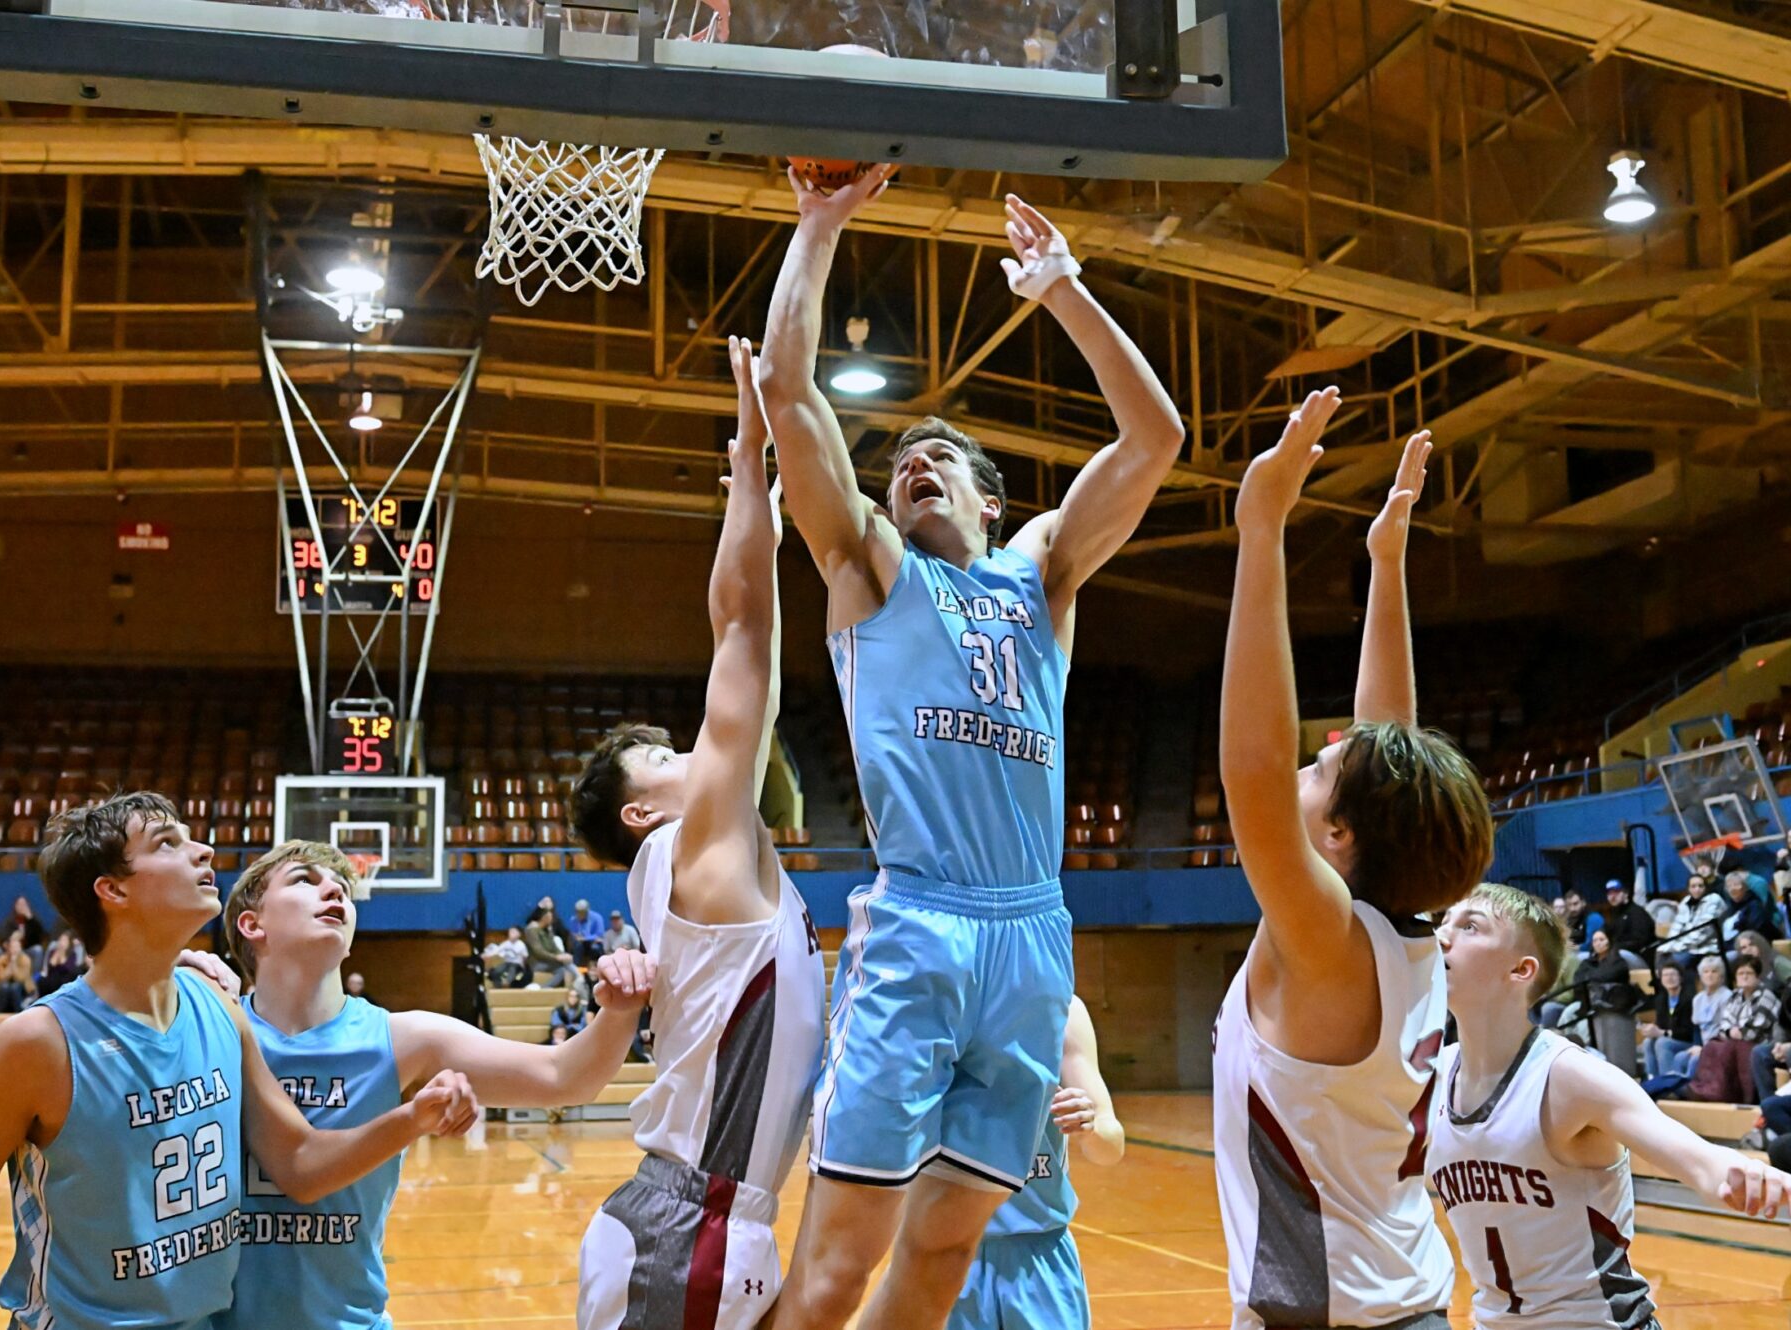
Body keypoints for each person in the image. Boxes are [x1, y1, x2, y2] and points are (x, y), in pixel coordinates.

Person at [760, 167, 1186, 1330]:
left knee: (944, 1258)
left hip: (1033, 929)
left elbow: (1158, 436)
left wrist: (1063, 289)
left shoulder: (1041, 573)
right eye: (900, 461)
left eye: (939, 457)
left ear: (993, 500)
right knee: (842, 1265)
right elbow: (790, 396)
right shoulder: (871, 570)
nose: (913, 465)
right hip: (922, 924)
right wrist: (820, 221)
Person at [0, 792, 482, 1330]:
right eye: (167, 843)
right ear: (113, 890)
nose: (203, 849)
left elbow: (300, 1163)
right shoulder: (37, 1043)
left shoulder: (221, 1009)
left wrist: (413, 1119)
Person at [1213, 404, 1493, 1330]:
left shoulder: (1328, 944)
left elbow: (1249, 770)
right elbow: (1388, 748)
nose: (1303, 763)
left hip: (1332, 1316)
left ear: (1339, 839)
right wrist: (1384, 563)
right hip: (1393, 1299)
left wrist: (1260, 532)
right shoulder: (1393, 935)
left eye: (1317, 769)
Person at [570, 335, 826, 1330]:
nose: (700, 756)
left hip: (717, 1218)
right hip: (695, 1222)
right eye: (670, 759)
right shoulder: (692, 849)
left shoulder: (702, 870)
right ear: (642, 813)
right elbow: (742, 630)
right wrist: (751, 458)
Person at [215, 838, 654, 1330]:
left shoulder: (405, 1039)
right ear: (251, 925)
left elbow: (563, 1078)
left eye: (341, 886)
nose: (334, 890)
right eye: (304, 880)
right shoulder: (206, 1028)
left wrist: (620, 1008)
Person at [1430, 883, 1789, 1330]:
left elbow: (1696, 1158)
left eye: (1469, 927)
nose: (1441, 936)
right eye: (1442, 923)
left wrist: (1737, 1171)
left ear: (1521, 970)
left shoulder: (1569, 1077)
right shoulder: (1429, 1077)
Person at [948, 996, 1123, 1330]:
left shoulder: (1062, 1008)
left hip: (1038, 1251)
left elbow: (1111, 1145)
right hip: (943, 1246)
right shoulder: (940, 1002)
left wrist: (1090, 1127)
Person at [1684, 955, 1779, 1103]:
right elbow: (1725, 1024)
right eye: (1741, 973)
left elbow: (1755, 1029)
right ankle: (1709, 1091)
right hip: (1735, 1040)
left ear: (1757, 976)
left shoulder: (1766, 996)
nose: (1745, 977)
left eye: (1749, 973)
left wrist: (1736, 1032)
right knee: (1711, 1047)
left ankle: (1735, 1096)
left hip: (1760, 1043)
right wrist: (1731, 1032)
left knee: (1734, 1049)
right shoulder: (1735, 996)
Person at [1570, 930, 1639, 1075]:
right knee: (1567, 1014)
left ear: (1609, 941)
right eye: (1595, 940)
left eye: (1601, 939)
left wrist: (1590, 977)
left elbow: (1609, 975)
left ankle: (1586, 1057)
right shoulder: (1588, 962)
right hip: (1585, 1002)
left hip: (1607, 1006)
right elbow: (1577, 979)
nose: (1597, 943)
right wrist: (1593, 978)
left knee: (1585, 1025)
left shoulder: (1619, 962)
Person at [1638, 959, 1696, 1079]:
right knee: (1648, 1042)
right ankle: (1653, 1080)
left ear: (1680, 978)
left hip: (1688, 1041)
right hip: (1671, 1037)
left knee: (1662, 1043)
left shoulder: (1689, 998)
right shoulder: (1661, 999)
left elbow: (1687, 1032)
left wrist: (1661, 1033)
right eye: (1665, 975)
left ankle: (1668, 1083)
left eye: (1673, 975)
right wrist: (1651, 1029)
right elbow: (1661, 1024)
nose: (1669, 978)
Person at [1658, 873, 1725, 967]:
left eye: (1700, 886)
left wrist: (1676, 947)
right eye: (1693, 886)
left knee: (1675, 961)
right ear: (1688, 889)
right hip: (1686, 947)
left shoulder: (1714, 900)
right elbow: (1677, 926)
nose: (1697, 889)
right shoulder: (1686, 901)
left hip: (1707, 947)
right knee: (1661, 954)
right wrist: (1668, 945)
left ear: (1706, 887)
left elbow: (1702, 933)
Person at [1601, 879, 1652, 969]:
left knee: (1618, 954)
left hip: (1640, 956)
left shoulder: (1637, 913)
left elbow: (1639, 941)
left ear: (1626, 894)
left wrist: (1615, 946)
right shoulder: (1614, 914)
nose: (1612, 897)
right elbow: (1606, 933)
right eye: (1609, 893)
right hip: (1618, 953)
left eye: (1616, 892)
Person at [526, 906, 575, 989]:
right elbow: (538, 951)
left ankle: (545, 987)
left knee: (564, 967)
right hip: (537, 962)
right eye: (550, 918)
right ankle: (580, 979)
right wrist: (556, 957)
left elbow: (554, 947)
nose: (552, 920)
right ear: (544, 918)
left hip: (549, 961)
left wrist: (563, 955)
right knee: (563, 966)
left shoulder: (547, 930)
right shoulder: (532, 930)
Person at [0, 895, 48, 972]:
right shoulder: (9, 921)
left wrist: (30, 918)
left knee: (38, 950)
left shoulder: (33, 920)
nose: (21, 907)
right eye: (19, 904)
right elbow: (2, 937)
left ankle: (35, 978)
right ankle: (0, 975)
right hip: (11, 950)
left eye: (23, 904)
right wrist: (11, 939)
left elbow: (39, 935)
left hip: (27, 949)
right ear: (15, 906)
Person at [0, 931, 34, 1015]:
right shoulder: (1, 960)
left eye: (17, 947)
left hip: (23, 989)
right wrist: (11, 965)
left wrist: (14, 964)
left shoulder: (25, 960)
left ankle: (19, 1014)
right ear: (8, 948)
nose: (15, 949)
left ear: (20, 948)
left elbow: (20, 978)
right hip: (5, 990)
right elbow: (1, 977)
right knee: (4, 987)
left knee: (14, 987)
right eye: (13, 947)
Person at [1736, 929, 1790, 995]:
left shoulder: (1776, 961)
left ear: (1759, 944)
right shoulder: (1745, 971)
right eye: (1744, 948)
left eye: (1752, 944)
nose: (1748, 949)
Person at [37, 927, 83, 997]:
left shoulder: (72, 955)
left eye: (64, 940)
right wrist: (53, 962)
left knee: (61, 980)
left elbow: (69, 969)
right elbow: (48, 969)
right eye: (60, 940)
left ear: (69, 943)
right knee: (42, 981)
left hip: (65, 979)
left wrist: (61, 960)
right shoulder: (53, 952)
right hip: (52, 978)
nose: (61, 943)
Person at [569, 898, 607, 963]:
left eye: (581, 912)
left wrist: (585, 938)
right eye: (577, 912)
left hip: (593, 942)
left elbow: (599, 935)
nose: (579, 914)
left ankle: (597, 968)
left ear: (587, 911)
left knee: (595, 948)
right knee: (577, 946)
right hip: (580, 943)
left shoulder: (597, 918)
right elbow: (573, 934)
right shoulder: (573, 920)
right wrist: (575, 936)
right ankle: (576, 968)